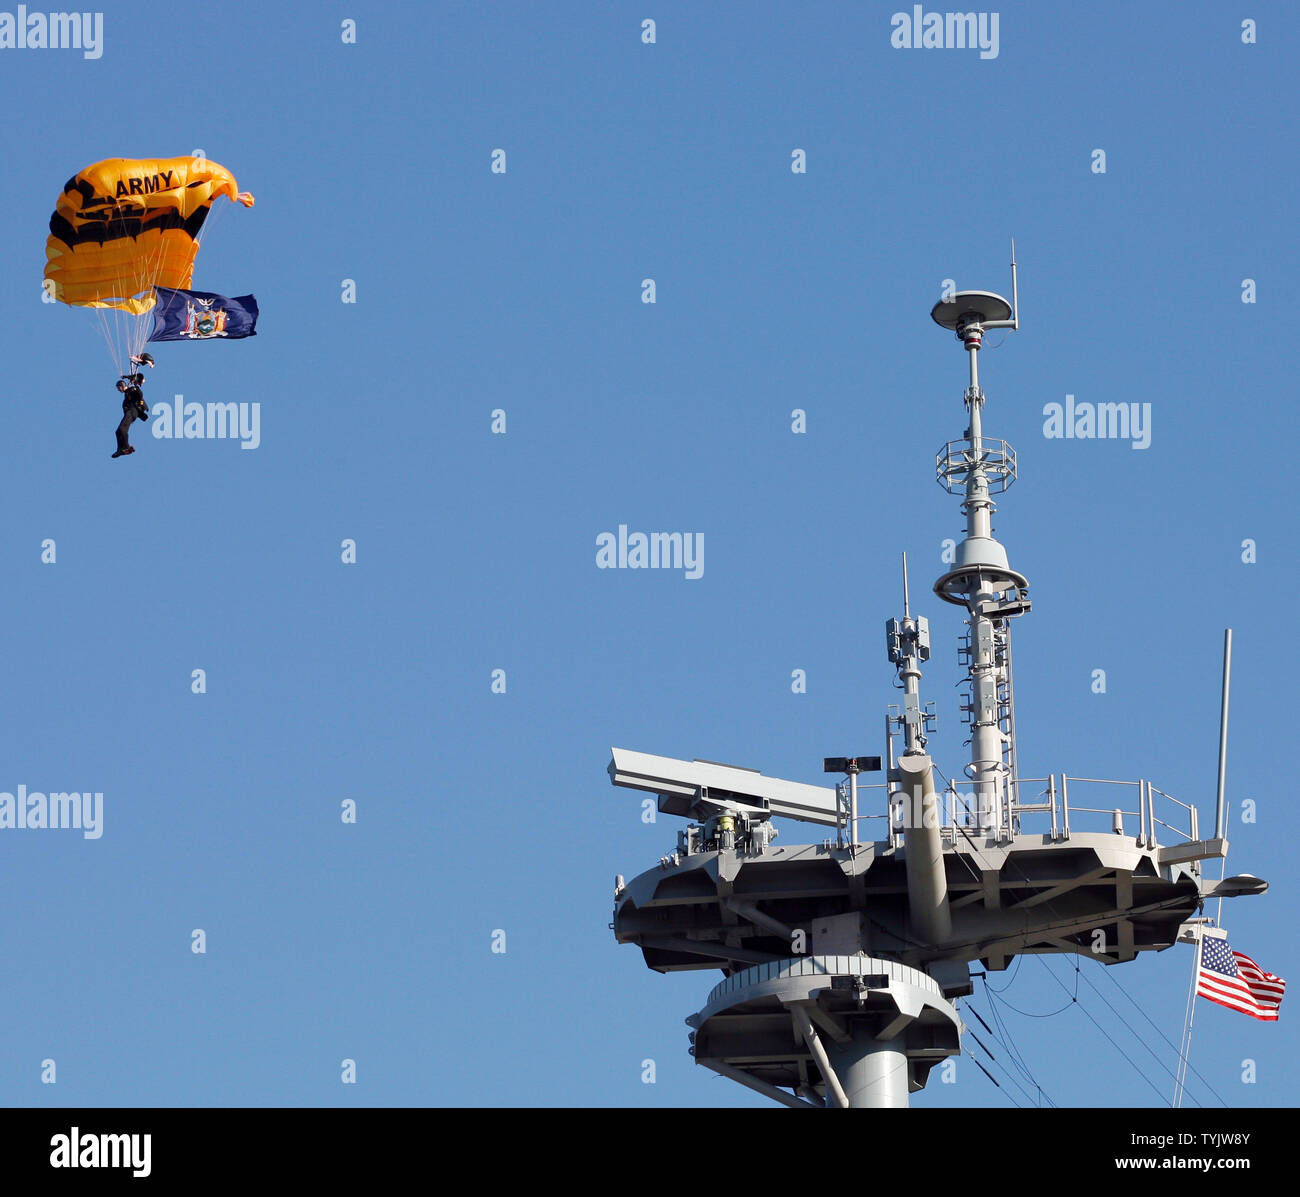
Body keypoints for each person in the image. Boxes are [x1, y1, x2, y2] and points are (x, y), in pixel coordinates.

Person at [112, 372, 149, 458]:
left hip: (133, 411)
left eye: (119, 388)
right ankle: (120, 450)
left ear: (122, 385)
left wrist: (135, 385)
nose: (118, 390)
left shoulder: (131, 390)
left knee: (122, 429)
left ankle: (126, 447)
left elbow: (140, 395)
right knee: (118, 432)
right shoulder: (126, 395)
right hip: (130, 413)